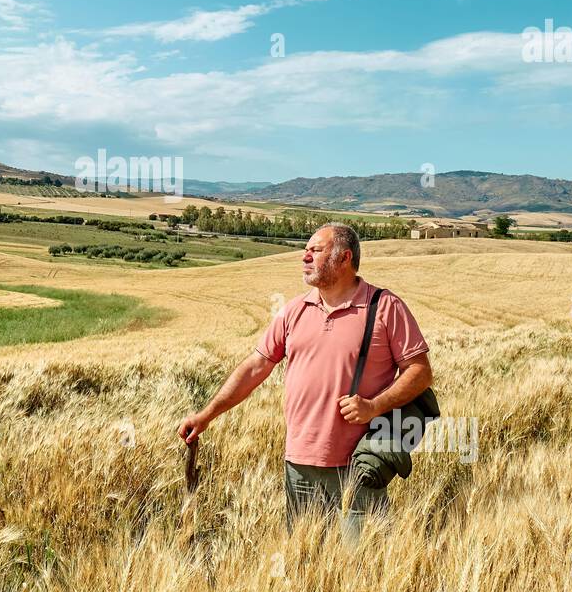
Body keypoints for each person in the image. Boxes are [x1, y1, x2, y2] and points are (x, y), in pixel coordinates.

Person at [177, 222, 433, 541]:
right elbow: (256, 366)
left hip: (359, 464)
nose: (305, 257)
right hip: (299, 463)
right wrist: (206, 415)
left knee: (362, 568)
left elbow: (420, 371)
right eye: (305, 250)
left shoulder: (384, 307)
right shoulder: (294, 310)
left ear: (344, 258)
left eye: (315, 250)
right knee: (305, 565)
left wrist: (373, 407)